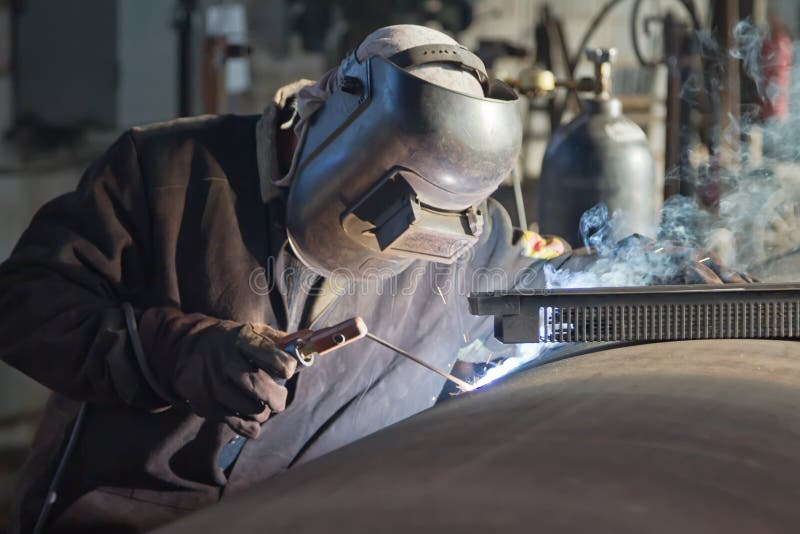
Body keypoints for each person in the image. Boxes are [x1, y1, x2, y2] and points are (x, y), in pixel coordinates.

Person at [0, 25, 743, 533]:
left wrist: (651, 279)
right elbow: (24, 303)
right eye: (394, 207)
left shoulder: (466, 242)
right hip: (120, 518)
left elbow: (543, 296)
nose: (410, 243)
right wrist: (180, 351)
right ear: (331, 127)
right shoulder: (167, 171)